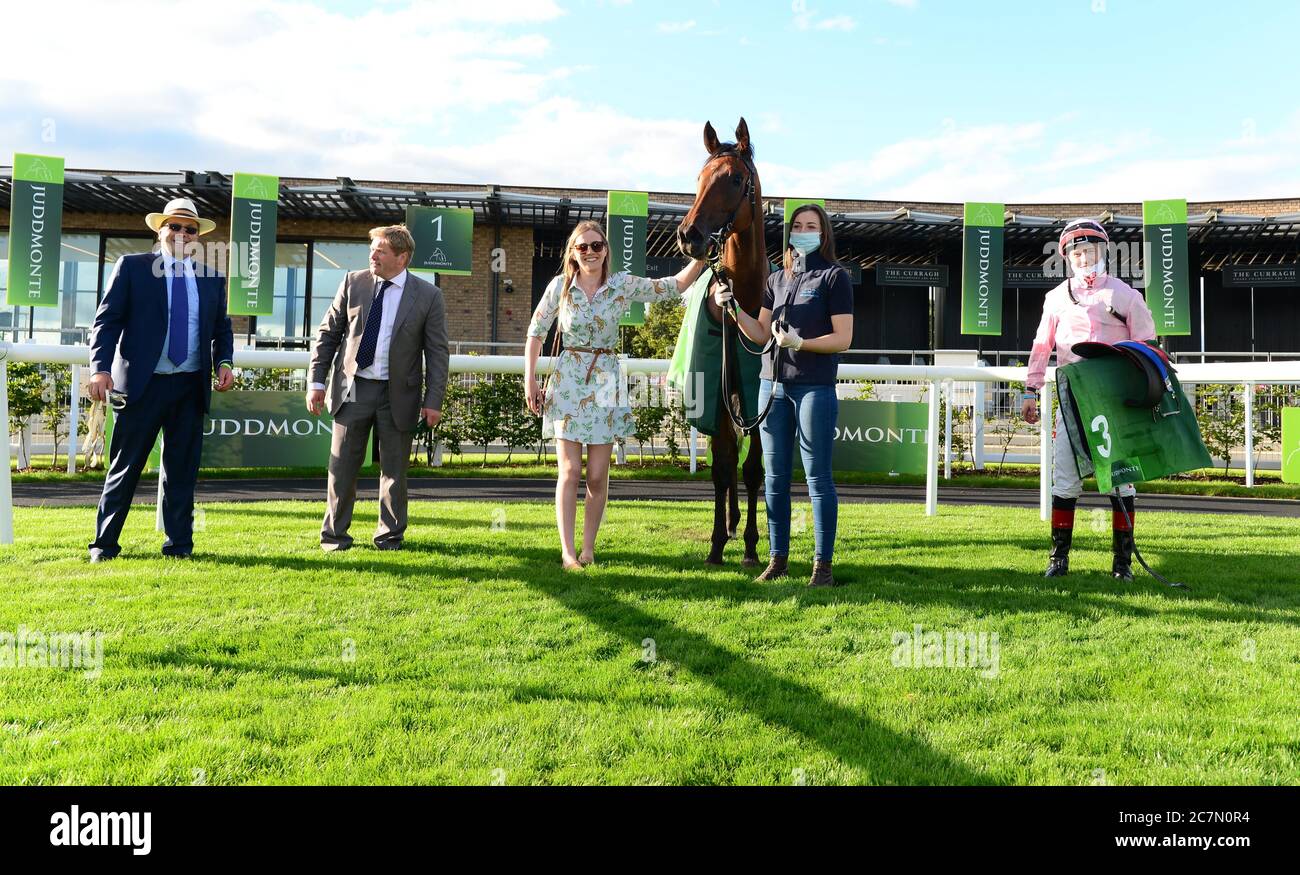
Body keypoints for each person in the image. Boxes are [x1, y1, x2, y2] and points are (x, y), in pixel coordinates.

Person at [525, 220, 706, 571]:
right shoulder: (559, 288)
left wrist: (700, 258)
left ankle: (588, 549)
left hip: (606, 379)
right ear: (573, 253)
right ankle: (567, 553)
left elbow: (671, 287)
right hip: (568, 380)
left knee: (596, 474)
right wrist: (530, 380)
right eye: (583, 247)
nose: (590, 252)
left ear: (606, 250)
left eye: (596, 246)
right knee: (570, 471)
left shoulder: (620, 284)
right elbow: (536, 332)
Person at [712, 203, 854, 587]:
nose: (804, 230)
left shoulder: (834, 278)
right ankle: (777, 560)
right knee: (773, 478)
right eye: (798, 225)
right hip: (771, 386)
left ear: (823, 234)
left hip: (814, 388)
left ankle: (822, 567)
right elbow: (759, 334)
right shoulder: (777, 281)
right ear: (789, 233)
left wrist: (801, 342)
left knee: (817, 479)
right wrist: (733, 310)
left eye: (812, 225)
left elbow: (844, 338)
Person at [87, 198, 235, 561]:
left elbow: (221, 328)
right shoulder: (133, 267)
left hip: (189, 387)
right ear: (160, 230)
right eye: (175, 226)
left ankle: (179, 547)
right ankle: (104, 546)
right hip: (141, 386)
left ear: (198, 236)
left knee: (182, 473)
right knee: (125, 468)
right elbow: (107, 323)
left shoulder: (212, 277)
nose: (182, 233)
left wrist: (225, 362)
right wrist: (99, 368)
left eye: (190, 229)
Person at [1023, 218, 1157, 581]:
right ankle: (1058, 559)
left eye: (1090, 250)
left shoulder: (1126, 296)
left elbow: (1147, 346)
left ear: (1104, 253)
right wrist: (1031, 389)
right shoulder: (1055, 298)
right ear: (1068, 257)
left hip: (1113, 397)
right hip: (1071, 395)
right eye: (1077, 252)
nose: (1084, 258)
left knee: (1120, 478)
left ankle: (1122, 564)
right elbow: (1041, 346)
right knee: (1064, 477)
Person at [307, 225, 450, 551]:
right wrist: (316, 381)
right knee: (341, 466)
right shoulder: (353, 283)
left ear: (402, 258)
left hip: (398, 395)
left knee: (394, 472)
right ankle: (334, 538)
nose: (372, 255)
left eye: (380, 250)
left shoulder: (429, 296)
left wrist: (434, 400)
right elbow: (328, 335)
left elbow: (438, 353)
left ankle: (389, 538)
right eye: (372, 249)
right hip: (352, 389)